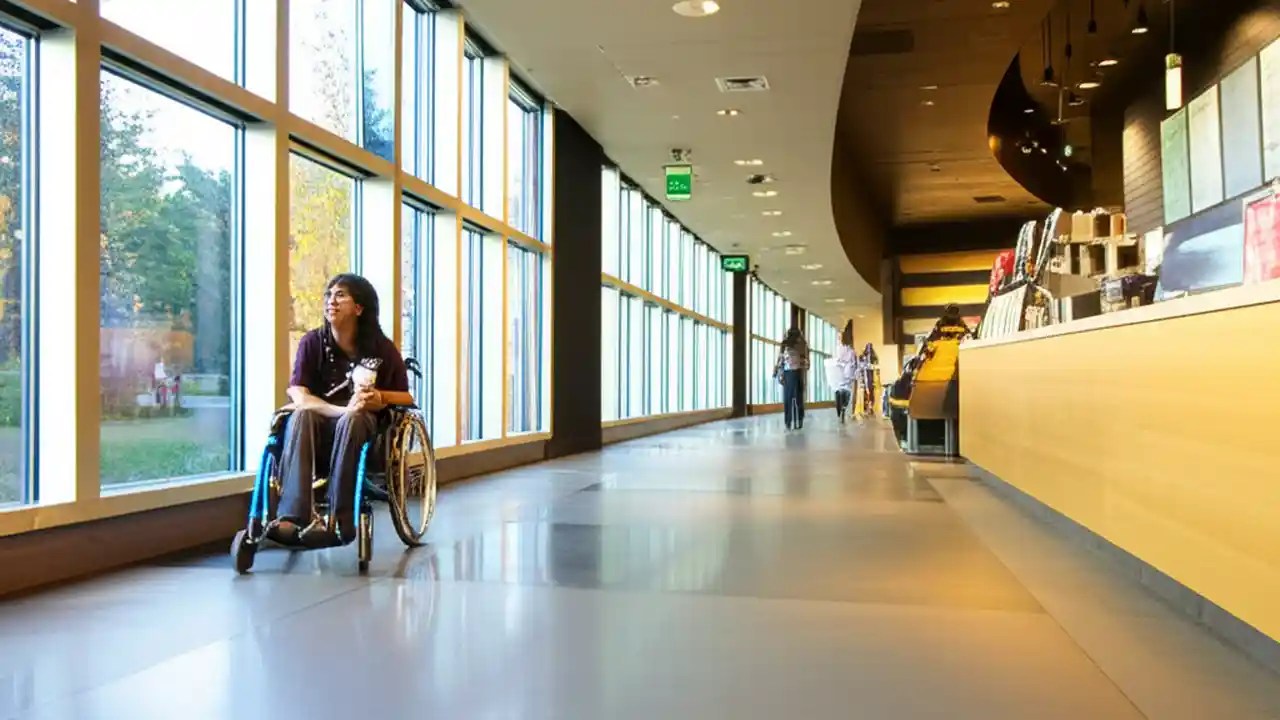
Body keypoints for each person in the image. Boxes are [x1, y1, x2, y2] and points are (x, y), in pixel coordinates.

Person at [272, 274, 414, 546]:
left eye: (340, 295)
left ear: (359, 308)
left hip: (365, 429)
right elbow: (299, 394)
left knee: (355, 419)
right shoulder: (312, 343)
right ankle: (292, 517)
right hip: (321, 426)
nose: (331, 301)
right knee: (301, 414)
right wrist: (341, 411)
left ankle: (340, 520)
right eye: (329, 295)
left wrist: (379, 397)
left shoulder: (381, 348)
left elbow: (406, 396)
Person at [773, 327, 810, 430]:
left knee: (788, 398)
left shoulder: (784, 344)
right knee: (799, 398)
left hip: (788, 374)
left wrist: (776, 372)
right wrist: (802, 366)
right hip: (799, 373)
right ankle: (799, 420)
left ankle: (788, 421)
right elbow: (807, 364)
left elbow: (780, 360)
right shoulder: (803, 344)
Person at [829, 321, 858, 422]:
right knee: (847, 390)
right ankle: (844, 407)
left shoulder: (839, 348)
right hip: (848, 372)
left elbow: (837, 359)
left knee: (839, 390)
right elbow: (854, 362)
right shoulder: (851, 350)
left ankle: (839, 408)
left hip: (840, 371)